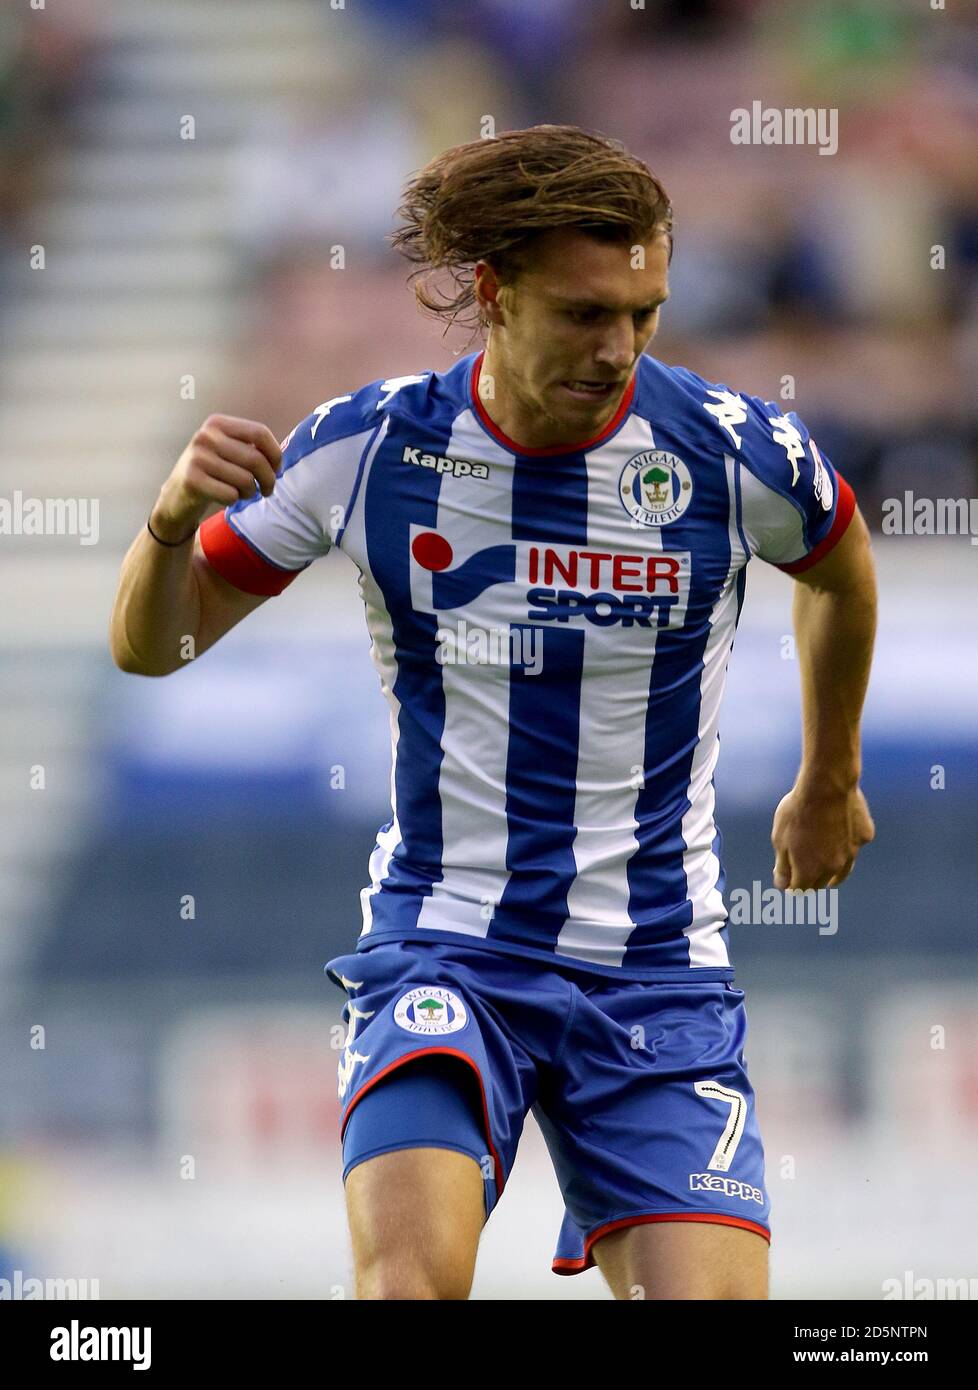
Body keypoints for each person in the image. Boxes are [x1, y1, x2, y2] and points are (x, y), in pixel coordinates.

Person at [109, 124, 877, 1300]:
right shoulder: (369, 448)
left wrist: (831, 776)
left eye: (646, 313)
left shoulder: (731, 453)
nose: (619, 348)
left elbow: (838, 562)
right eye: (584, 314)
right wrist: (169, 526)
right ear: (492, 291)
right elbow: (153, 645)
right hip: (452, 945)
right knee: (410, 1286)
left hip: (659, 966)